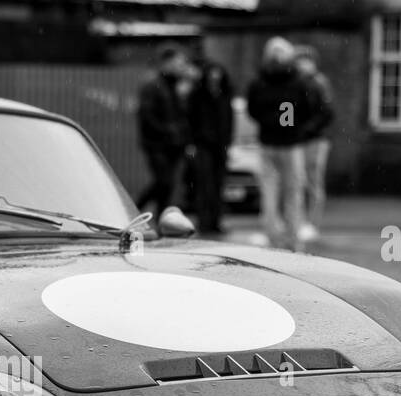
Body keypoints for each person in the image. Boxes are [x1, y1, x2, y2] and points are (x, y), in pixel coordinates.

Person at [245, 37, 315, 251]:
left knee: (270, 192)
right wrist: (292, 125)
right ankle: (292, 237)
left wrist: (271, 121)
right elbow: (307, 107)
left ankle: (273, 237)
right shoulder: (296, 81)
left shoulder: (259, 82)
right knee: (293, 192)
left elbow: (253, 109)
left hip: (269, 142)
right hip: (290, 143)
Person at [182, 38, 235, 235]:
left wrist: (228, 141)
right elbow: (190, 120)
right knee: (205, 184)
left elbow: (229, 121)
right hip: (203, 144)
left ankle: (215, 220)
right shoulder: (198, 96)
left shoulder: (224, 95)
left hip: (220, 145)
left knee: (218, 184)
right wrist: (192, 142)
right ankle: (205, 221)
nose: (214, 77)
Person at [135, 44, 191, 222]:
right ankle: (133, 210)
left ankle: (158, 220)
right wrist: (168, 131)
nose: (181, 67)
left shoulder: (174, 87)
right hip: (157, 144)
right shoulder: (153, 86)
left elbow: (181, 115)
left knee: (166, 186)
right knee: (163, 182)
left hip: (172, 144)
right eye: (178, 63)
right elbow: (147, 115)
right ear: (166, 63)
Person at [294, 45, 334, 242]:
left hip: (316, 140)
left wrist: (307, 128)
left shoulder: (319, 83)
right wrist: (288, 127)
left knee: (313, 182)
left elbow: (326, 113)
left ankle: (312, 223)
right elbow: (288, 110)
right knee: (298, 181)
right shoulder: (295, 83)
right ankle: (299, 222)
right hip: (299, 140)